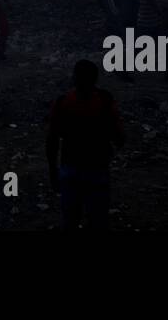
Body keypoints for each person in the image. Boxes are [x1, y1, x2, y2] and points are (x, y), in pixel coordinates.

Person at [46, 59, 126, 230]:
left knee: (70, 221)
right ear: (95, 79)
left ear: (74, 78)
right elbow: (119, 138)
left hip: (70, 167)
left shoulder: (63, 103)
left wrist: (53, 170)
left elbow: (52, 139)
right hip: (97, 168)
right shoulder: (104, 101)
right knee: (98, 221)